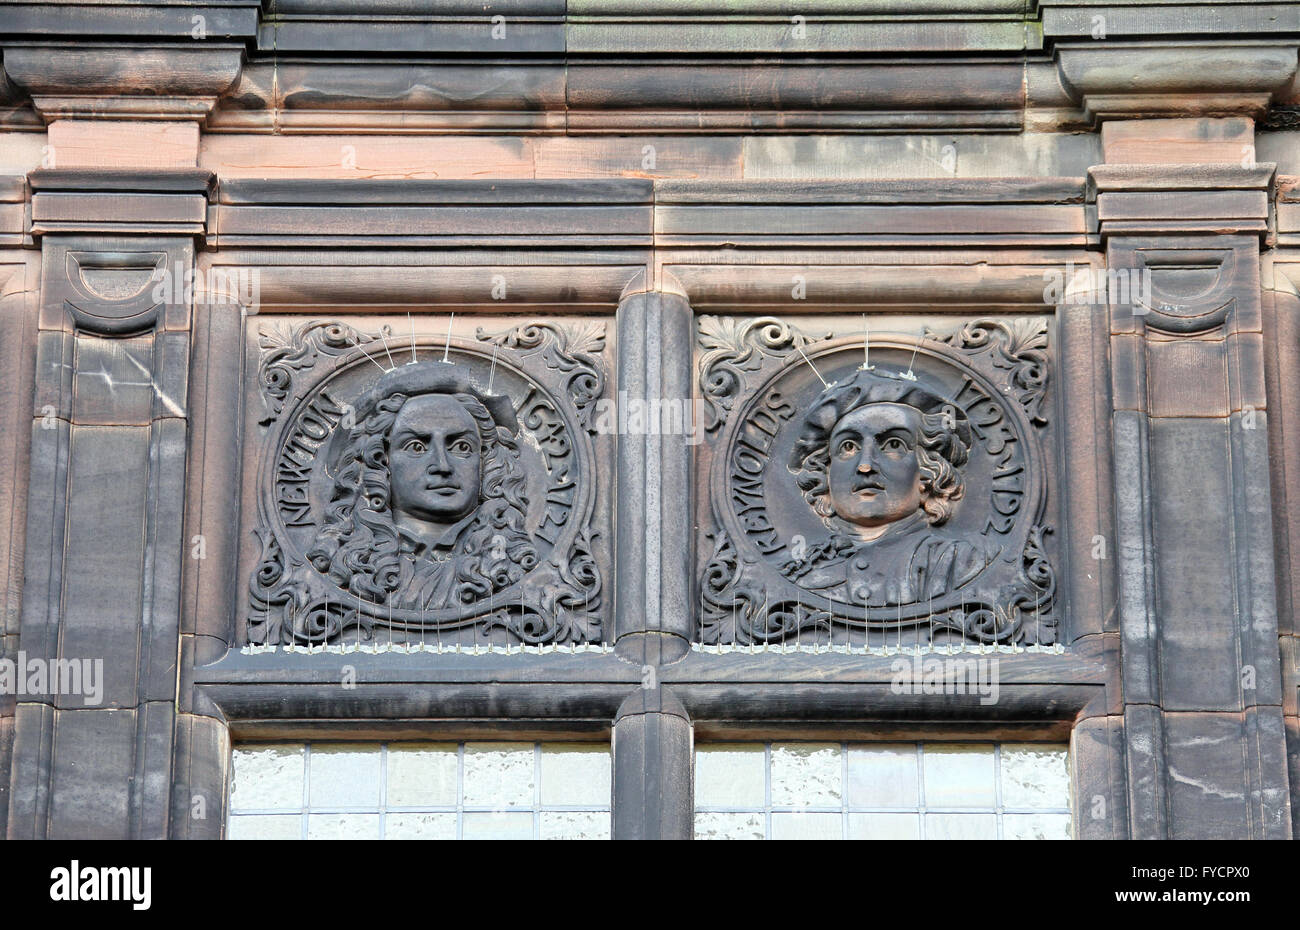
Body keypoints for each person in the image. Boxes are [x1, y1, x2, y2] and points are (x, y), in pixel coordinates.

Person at [306, 364, 537, 610]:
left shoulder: (508, 564)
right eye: (416, 447)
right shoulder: (349, 565)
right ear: (380, 462)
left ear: (487, 464)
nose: (442, 465)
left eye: (461, 447)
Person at [782, 366, 998, 607]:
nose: (865, 466)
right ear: (825, 476)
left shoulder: (965, 563)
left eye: (893, 445)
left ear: (929, 474)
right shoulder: (798, 574)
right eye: (848, 447)